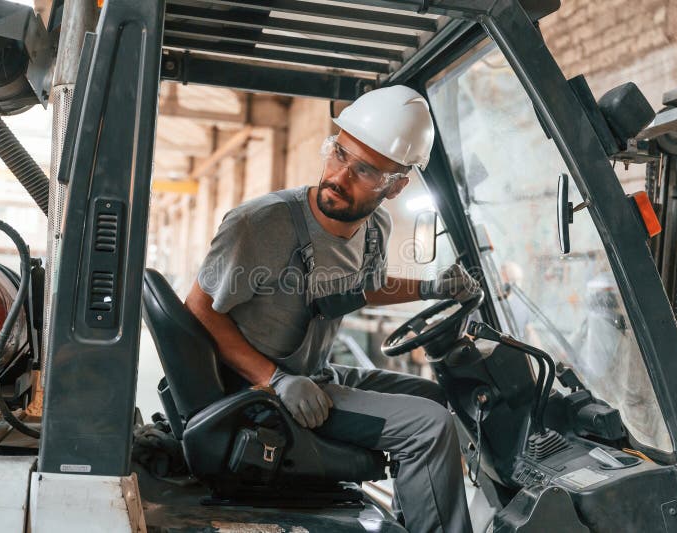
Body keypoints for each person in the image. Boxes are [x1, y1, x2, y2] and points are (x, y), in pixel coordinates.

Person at [186, 85, 481, 533]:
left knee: (433, 396)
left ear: (397, 186)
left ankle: (414, 517)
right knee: (429, 426)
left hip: (314, 373)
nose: (339, 177)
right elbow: (199, 309)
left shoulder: (375, 227)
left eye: (365, 171)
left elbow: (365, 286)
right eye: (338, 154)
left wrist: (431, 287)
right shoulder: (260, 224)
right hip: (255, 389)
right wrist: (276, 379)